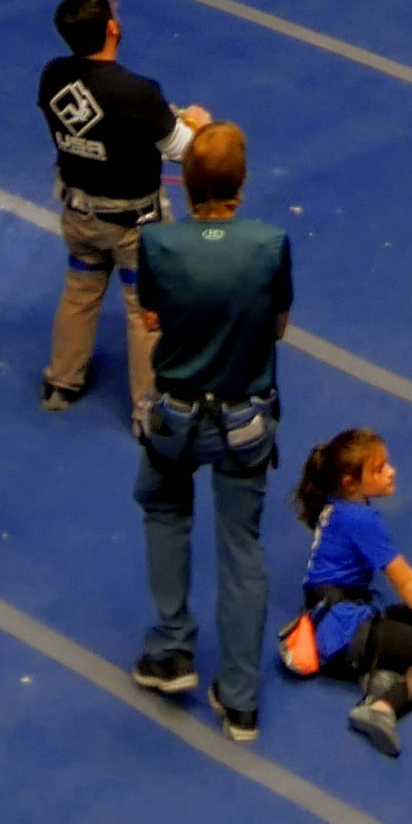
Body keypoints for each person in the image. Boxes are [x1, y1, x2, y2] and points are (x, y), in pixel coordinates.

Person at [131, 123, 292, 741]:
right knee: (241, 549)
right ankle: (242, 699)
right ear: (242, 185)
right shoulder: (270, 244)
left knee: (166, 511)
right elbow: (277, 323)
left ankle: (172, 648)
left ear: (183, 181)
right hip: (244, 419)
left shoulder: (161, 244)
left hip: (176, 417)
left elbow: (151, 316)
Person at [36, 0, 208, 416]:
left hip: (78, 214)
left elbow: (103, 119)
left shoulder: (53, 76)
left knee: (80, 291)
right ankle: (147, 408)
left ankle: (62, 381)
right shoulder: (137, 91)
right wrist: (198, 126)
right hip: (133, 226)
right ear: (112, 27)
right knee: (144, 311)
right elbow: (180, 151)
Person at [285, 430, 412, 759]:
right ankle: (381, 706)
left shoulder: (341, 504)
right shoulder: (359, 518)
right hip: (344, 633)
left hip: (344, 616)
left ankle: (379, 675)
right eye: (378, 469)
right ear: (350, 482)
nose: (391, 471)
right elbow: (407, 582)